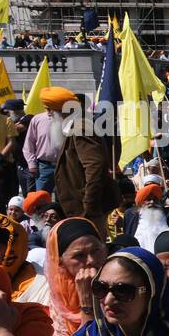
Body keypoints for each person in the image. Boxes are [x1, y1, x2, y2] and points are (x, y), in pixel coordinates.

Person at [53, 96, 116, 238]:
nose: (49, 115)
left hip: (87, 208)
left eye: (50, 111)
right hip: (81, 207)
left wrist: (89, 206)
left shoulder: (81, 128)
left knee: (91, 247)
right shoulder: (75, 127)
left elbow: (95, 166)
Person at [45, 217, 108, 336]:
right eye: (79, 256)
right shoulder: (59, 297)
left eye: (96, 250)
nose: (91, 260)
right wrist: (87, 304)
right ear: (60, 261)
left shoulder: (121, 286)